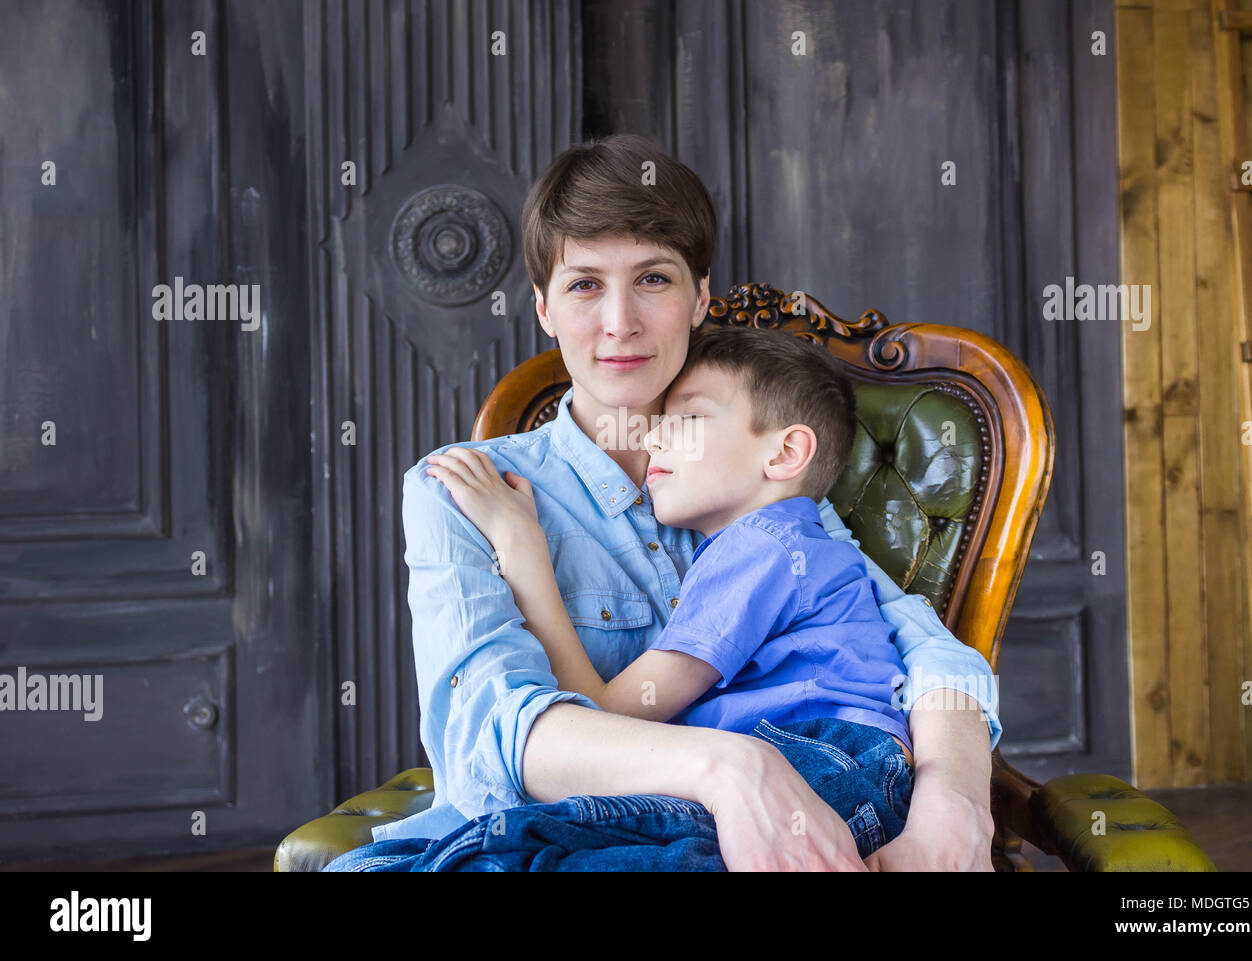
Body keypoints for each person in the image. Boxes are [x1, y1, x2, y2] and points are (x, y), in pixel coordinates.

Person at [323, 133, 999, 873]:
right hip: (584, 824)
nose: (620, 323)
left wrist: (954, 804)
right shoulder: (462, 488)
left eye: (653, 278)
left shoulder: (755, 479)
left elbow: (926, 650)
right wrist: (730, 767)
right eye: (585, 285)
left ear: (700, 297)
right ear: (543, 308)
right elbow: (498, 740)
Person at [405, 324, 919, 869]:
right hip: (825, 769)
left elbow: (611, 710)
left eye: (689, 420)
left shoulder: (762, 546)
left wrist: (524, 551)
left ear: (786, 452)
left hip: (825, 761)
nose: (652, 438)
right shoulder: (783, 543)